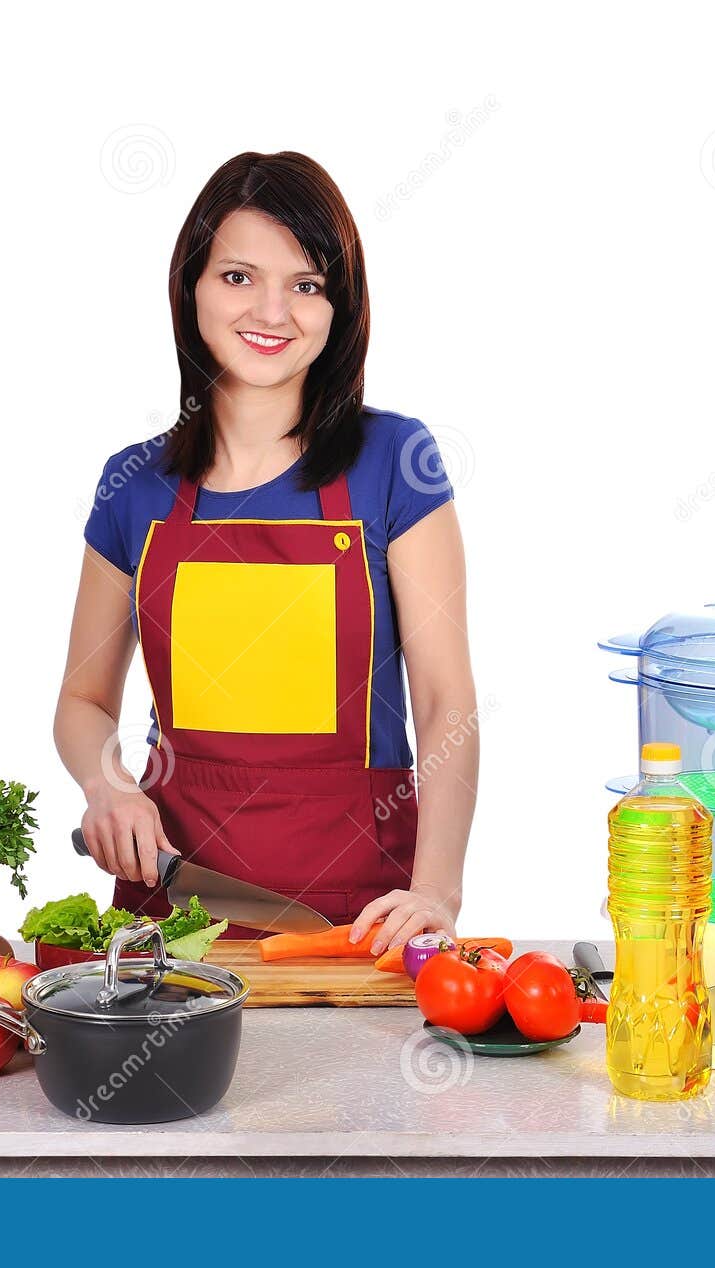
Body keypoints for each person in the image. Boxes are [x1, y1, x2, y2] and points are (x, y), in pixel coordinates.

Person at [53, 151, 477, 956]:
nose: (273, 311)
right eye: (240, 276)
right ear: (192, 287)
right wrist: (106, 787)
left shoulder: (395, 461)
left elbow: (445, 700)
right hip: (172, 920)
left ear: (338, 305)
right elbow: (83, 703)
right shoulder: (133, 486)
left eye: (307, 284)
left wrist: (435, 892)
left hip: (362, 920)